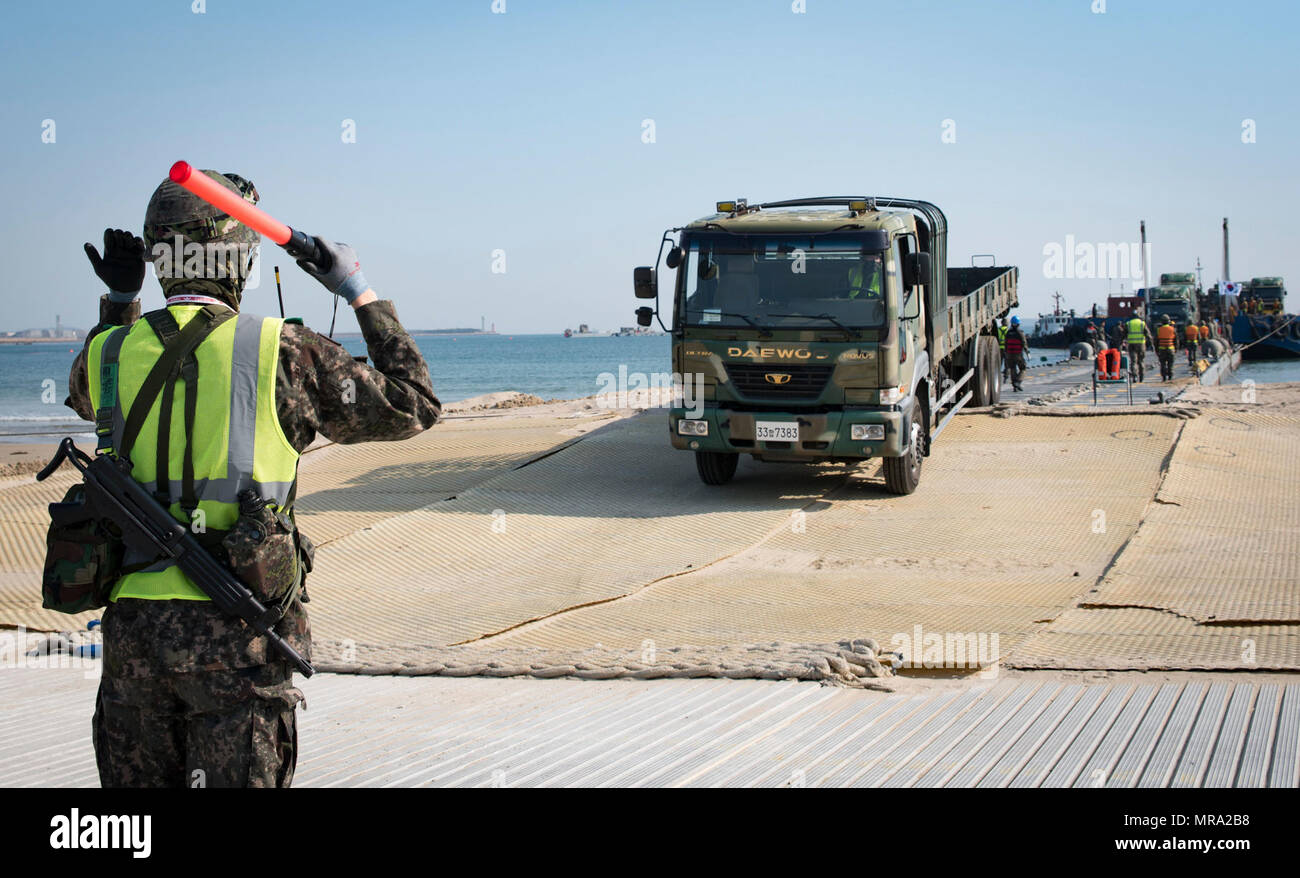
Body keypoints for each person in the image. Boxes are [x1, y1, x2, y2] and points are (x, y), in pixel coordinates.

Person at [65, 170, 441, 787]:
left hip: (134, 636)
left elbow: (92, 393)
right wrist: (360, 292)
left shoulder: (111, 350)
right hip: (238, 637)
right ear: (238, 253)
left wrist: (121, 299)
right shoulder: (283, 352)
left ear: (160, 255)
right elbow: (414, 404)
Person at [1125, 313, 1154, 382]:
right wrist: (1151, 344)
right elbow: (1148, 334)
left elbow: (1124, 334)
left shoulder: (1128, 323)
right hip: (1141, 344)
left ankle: (1134, 376)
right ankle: (1141, 377)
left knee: (1133, 361)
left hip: (1131, 344)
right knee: (1141, 361)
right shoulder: (1142, 323)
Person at [1003, 315, 1029, 391]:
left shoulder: (1008, 333)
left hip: (1009, 354)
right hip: (1018, 354)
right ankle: (1018, 381)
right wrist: (1027, 352)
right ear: (1018, 324)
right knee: (1023, 368)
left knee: (1012, 368)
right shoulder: (1020, 333)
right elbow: (1024, 343)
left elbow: (1005, 343)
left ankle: (1015, 386)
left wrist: (1006, 353)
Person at [1155, 314, 1177, 382]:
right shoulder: (1173, 329)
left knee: (1163, 363)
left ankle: (1164, 377)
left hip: (1162, 349)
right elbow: (1176, 340)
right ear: (1168, 321)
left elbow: (1156, 341)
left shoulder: (1159, 329)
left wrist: (1156, 350)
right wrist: (1176, 349)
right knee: (1170, 363)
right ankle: (1170, 376)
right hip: (1171, 349)